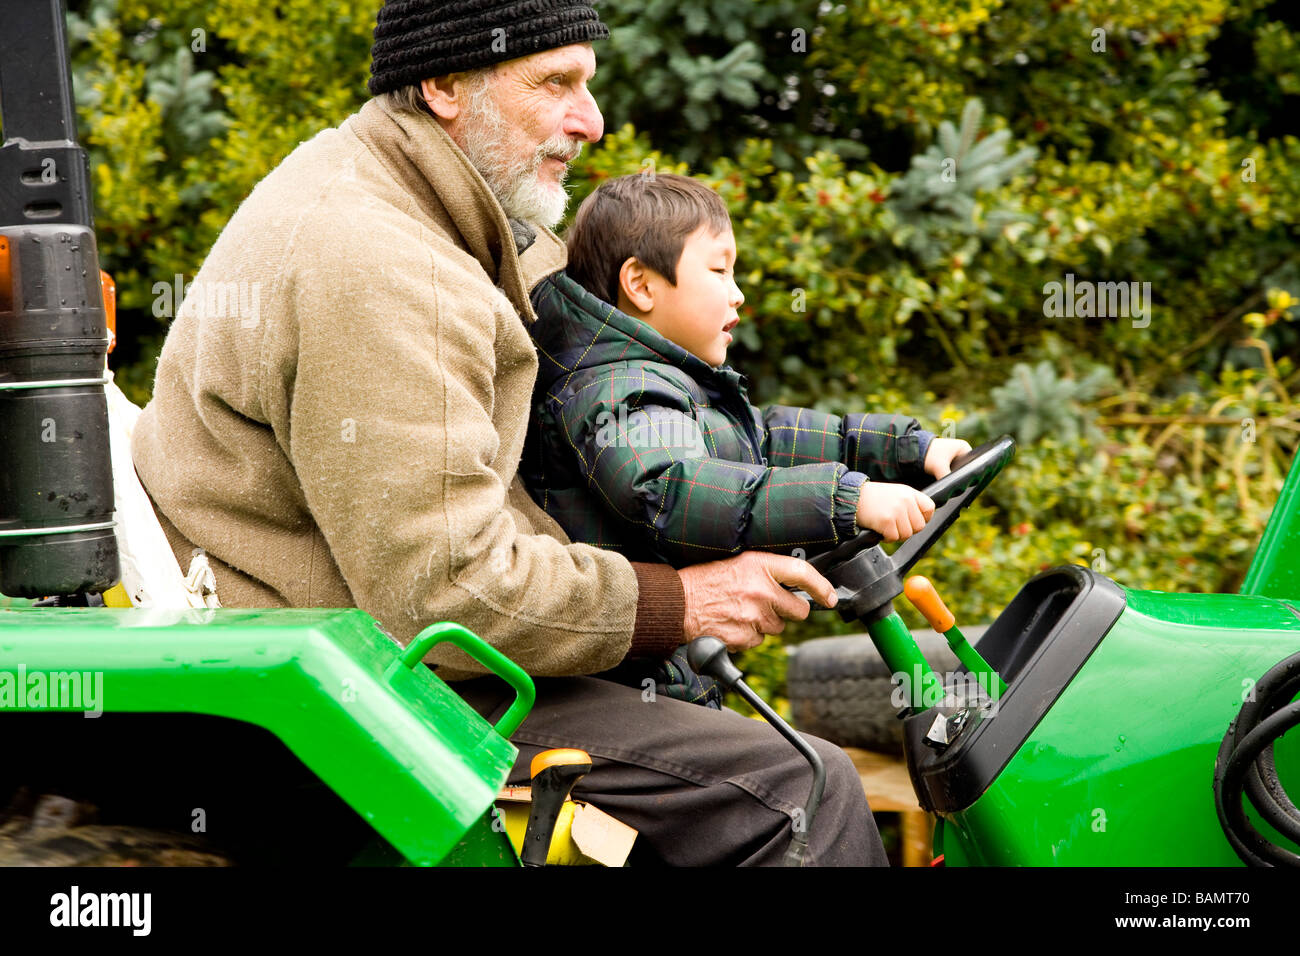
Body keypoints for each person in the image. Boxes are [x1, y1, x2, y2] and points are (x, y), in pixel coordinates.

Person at [130, 0, 884, 865]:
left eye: (588, 84)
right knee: (800, 789)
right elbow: (451, 592)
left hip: (372, 650)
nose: (592, 122)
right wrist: (685, 603)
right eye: (555, 83)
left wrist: (860, 460)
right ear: (445, 83)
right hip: (370, 689)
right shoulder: (382, 267)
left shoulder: (421, 202)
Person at [521, 173, 971, 705]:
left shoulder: (667, 384)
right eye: (719, 271)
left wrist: (907, 449)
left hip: (669, 681)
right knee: (818, 780)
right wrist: (849, 500)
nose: (738, 293)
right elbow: (671, 490)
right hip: (616, 691)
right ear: (640, 285)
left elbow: (767, 440)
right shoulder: (615, 388)